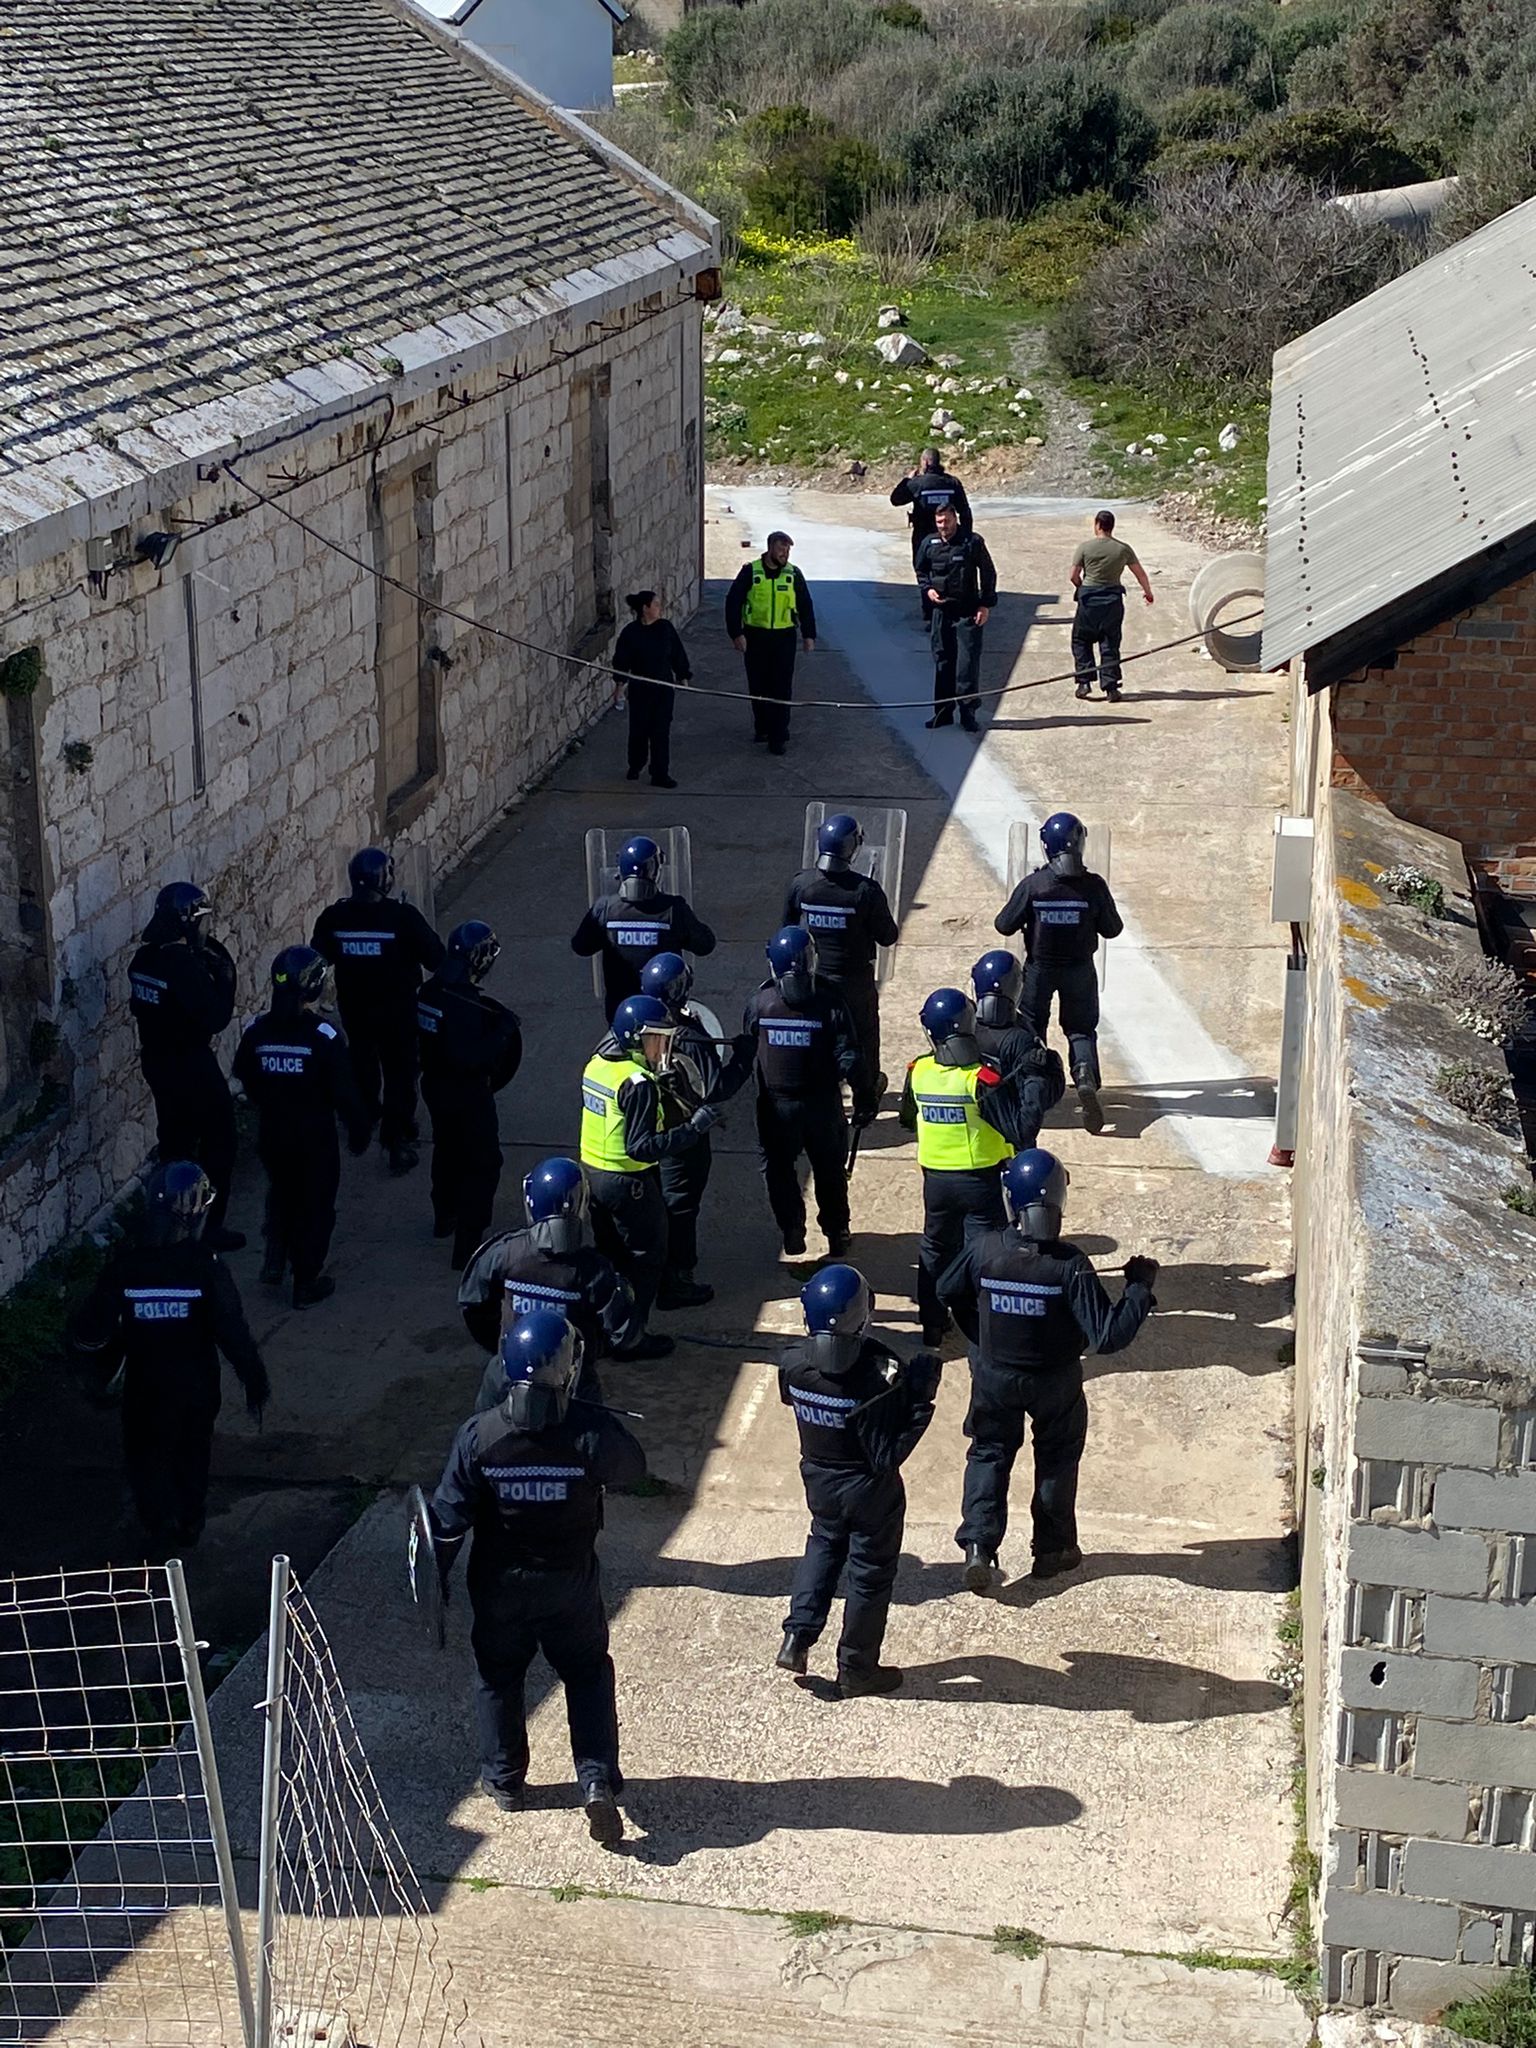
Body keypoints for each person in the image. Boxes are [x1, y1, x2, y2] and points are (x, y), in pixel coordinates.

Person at [426, 1309, 645, 1843]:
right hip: (570, 1586)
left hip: (500, 1587)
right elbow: (632, 1468)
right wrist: (592, 1417)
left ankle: (505, 1782)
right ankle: (595, 1780)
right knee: (587, 1674)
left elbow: (445, 1523)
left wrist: (435, 1590)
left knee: (499, 1677)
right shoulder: (587, 1433)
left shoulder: (480, 1436)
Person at [938, 1149, 1157, 1590]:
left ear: (1011, 1201)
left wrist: (981, 1336)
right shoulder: (1068, 1266)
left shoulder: (985, 1249)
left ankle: (979, 1546)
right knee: (1056, 1458)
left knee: (989, 1452)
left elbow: (947, 1288)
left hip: (995, 1375)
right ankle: (1053, 1550)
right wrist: (1138, 1290)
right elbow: (1108, 1336)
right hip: (1054, 1380)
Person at [70, 1161, 268, 1551]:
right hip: (196, 1385)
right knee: (193, 1451)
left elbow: (94, 1331)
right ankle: (189, 1522)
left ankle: (155, 1523)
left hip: (146, 1386)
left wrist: (95, 1375)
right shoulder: (206, 1270)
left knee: (145, 1453)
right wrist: (253, 1376)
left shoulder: (126, 1269)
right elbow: (231, 1328)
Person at [777, 1264, 941, 1697]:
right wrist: (922, 1399)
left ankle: (798, 1635)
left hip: (818, 1478)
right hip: (870, 1491)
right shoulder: (880, 1372)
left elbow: (792, 1395)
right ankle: (857, 1667)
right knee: (869, 1574)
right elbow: (891, 1452)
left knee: (823, 1545)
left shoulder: (793, 1364)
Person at [233, 946, 371, 1309]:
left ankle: (277, 1255)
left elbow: (245, 1075)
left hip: (273, 1131)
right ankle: (306, 1280)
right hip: (313, 1136)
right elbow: (344, 1092)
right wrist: (359, 1130)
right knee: (316, 1206)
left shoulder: (257, 1032)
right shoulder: (323, 1036)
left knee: (281, 1191)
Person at [459, 1157, 664, 1401]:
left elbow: (472, 1303)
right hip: (574, 1387)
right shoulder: (594, 1271)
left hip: (506, 1381)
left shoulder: (503, 1254)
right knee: (590, 1436)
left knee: (484, 1434)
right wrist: (592, 1350)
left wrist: (503, 1345)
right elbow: (626, 1335)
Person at [898, 987, 1035, 1347]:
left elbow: (906, 1119)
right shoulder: (981, 1079)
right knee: (987, 1252)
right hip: (981, 1180)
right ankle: (984, 1327)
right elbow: (1015, 1127)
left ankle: (931, 1323)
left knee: (934, 1248)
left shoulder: (919, 1071)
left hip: (936, 1181)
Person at [578, 993, 719, 1341]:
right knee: (648, 1257)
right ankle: (632, 1334)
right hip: (628, 1181)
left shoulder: (598, 1064)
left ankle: (604, 1325)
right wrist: (693, 1129)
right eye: (658, 1039)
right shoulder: (638, 1085)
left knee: (610, 1256)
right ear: (635, 1038)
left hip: (592, 1174)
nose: (663, 1049)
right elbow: (640, 1147)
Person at [743, 928, 876, 1260]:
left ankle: (791, 1228)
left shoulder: (760, 1003)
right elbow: (850, 1056)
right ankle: (836, 1232)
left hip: (775, 1108)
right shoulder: (830, 1002)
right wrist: (864, 1096)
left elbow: (745, 1048)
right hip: (822, 1107)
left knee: (778, 1170)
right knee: (830, 1171)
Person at [312, 847, 445, 1175]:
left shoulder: (335, 918)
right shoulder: (402, 918)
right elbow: (436, 958)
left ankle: (365, 1118)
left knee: (363, 1065)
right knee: (401, 1074)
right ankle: (396, 1139)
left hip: (356, 1009)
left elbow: (319, 958)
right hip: (397, 1011)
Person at [127, 882, 244, 1249]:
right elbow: (215, 1018)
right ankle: (206, 1227)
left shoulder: (143, 961)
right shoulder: (182, 967)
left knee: (174, 1140)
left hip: (156, 1060)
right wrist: (226, 980)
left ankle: (165, 1226)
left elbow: (140, 1006)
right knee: (219, 1140)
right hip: (190, 1062)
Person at [992, 812, 1122, 1135]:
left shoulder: (1035, 885)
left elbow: (1003, 923)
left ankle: (1034, 1086)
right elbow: (1113, 929)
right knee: (1080, 1029)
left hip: (1039, 970)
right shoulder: (1093, 886)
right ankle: (1085, 1076)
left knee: (1032, 1027)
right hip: (1080, 969)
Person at [639, 952, 753, 1312]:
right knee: (681, 1208)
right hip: (683, 1134)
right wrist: (744, 1058)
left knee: (656, 1203)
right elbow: (717, 1088)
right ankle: (677, 1280)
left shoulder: (636, 1024)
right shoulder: (687, 1038)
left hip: (646, 1129)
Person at [417, 921, 523, 1269]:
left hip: (434, 1086)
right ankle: (468, 1246)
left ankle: (443, 1214)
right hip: (466, 1094)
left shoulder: (430, 992)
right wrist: (503, 1032)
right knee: (483, 1164)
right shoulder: (464, 1005)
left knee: (446, 1149)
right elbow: (469, 1057)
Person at [781, 813, 899, 1096]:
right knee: (863, 1036)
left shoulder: (801, 884)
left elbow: (787, 930)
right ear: (853, 848)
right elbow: (888, 936)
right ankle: (866, 1092)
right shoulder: (865, 891)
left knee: (819, 1033)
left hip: (814, 979)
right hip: (854, 981)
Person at [571, 835, 716, 1024]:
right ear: (655, 870)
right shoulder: (673, 910)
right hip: (664, 1012)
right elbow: (705, 945)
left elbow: (581, 946)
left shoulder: (605, 909)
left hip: (621, 1011)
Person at [724, 530, 816, 757]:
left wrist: (808, 635)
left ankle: (778, 734)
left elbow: (805, 605)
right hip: (755, 637)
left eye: (788, 549)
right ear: (770, 548)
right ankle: (762, 727)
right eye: (781, 548)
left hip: (783, 637)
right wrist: (736, 634)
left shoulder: (793, 574)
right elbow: (733, 602)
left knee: (781, 687)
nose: (785, 553)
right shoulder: (750, 572)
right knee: (758, 686)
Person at [915, 503, 998, 733]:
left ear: (955, 519)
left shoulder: (972, 541)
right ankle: (942, 714)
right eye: (939, 522)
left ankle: (968, 713)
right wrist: (928, 589)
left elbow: (988, 572)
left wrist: (985, 604)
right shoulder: (929, 543)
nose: (943, 526)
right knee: (943, 662)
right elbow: (921, 570)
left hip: (967, 613)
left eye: (947, 521)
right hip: (941, 613)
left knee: (967, 666)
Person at [970, 950, 1066, 1146]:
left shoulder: (964, 1030)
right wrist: (1052, 1067)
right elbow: (1039, 1100)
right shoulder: (1022, 1037)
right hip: (1009, 1147)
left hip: (968, 1142)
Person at [1069, 508, 1154, 703]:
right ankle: (1111, 687)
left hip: (1088, 601)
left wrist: (1082, 587)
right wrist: (1148, 593)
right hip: (1113, 601)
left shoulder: (1085, 548)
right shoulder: (1123, 549)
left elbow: (1073, 576)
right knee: (1109, 643)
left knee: (1081, 640)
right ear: (1112, 526)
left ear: (1097, 525)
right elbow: (1140, 573)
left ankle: (1084, 683)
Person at [613, 590, 690, 790]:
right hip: (640, 689)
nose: (659, 608)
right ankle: (636, 764)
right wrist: (619, 686)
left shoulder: (665, 629)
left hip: (663, 688)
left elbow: (677, 653)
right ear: (645, 609)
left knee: (660, 731)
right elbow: (621, 661)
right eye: (655, 604)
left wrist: (682, 675)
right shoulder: (631, 633)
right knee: (639, 730)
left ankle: (660, 773)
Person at [890, 449, 972, 622]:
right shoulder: (952, 483)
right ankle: (953, 609)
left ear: (926, 463)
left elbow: (895, 499)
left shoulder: (917, 483)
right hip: (950, 537)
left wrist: (907, 480)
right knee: (952, 571)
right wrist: (966, 536)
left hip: (923, 538)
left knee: (924, 573)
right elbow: (965, 511)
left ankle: (930, 614)